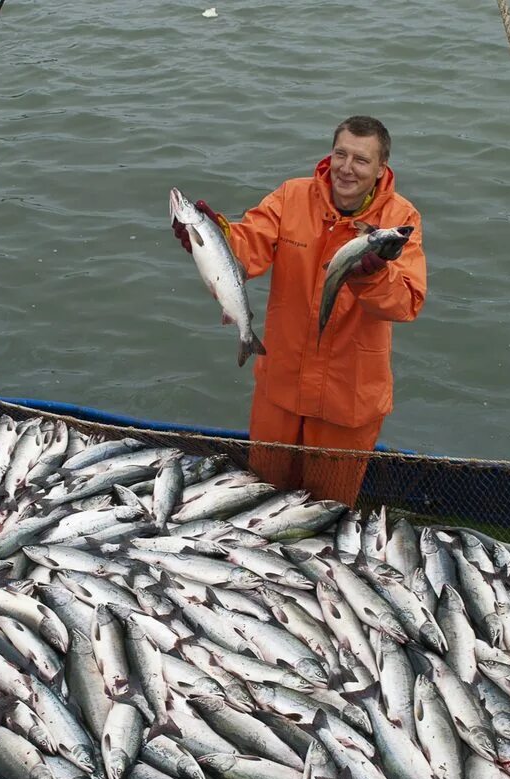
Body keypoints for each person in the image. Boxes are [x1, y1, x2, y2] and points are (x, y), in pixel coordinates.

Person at [172, 115, 425, 506]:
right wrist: (209, 236)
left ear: (380, 170)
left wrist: (371, 278)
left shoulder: (400, 220)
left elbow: (407, 302)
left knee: (327, 511)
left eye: (361, 160)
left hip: (348, 399)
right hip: (282, 386)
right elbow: (247, 248)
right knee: (260, 502)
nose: (346, 167)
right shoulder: (292, 197)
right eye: (340, 153)